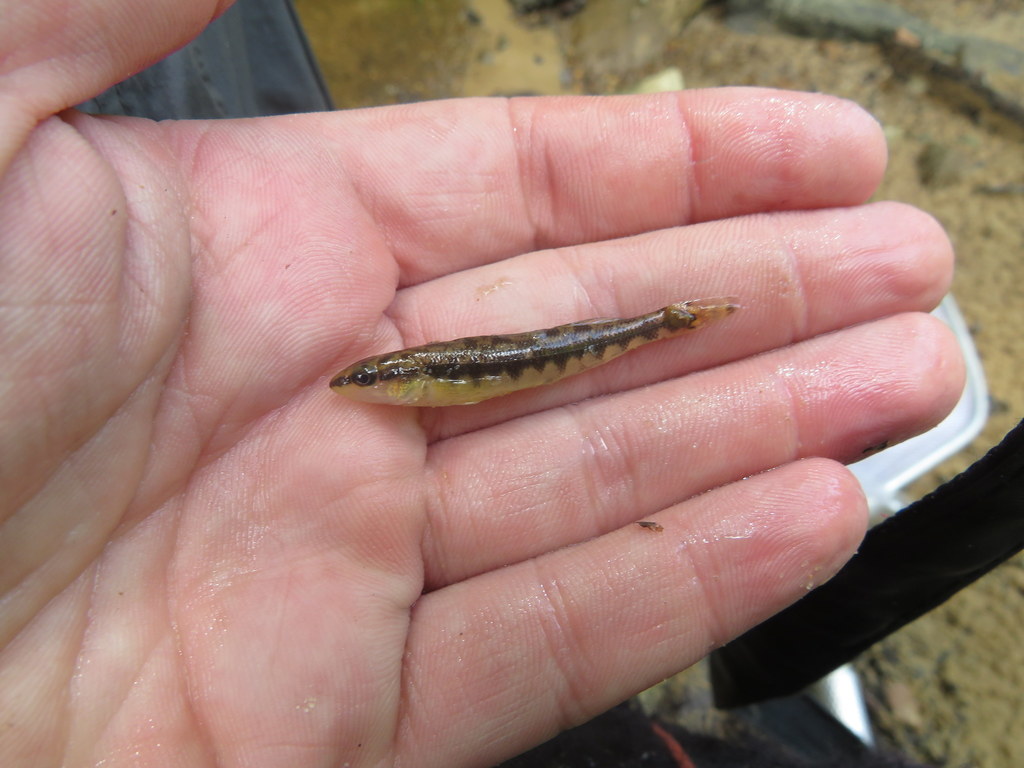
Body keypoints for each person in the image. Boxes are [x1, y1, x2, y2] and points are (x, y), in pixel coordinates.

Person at [0, 1, 965, 766]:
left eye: (375, 375)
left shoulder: (420, 379)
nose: (368, 383)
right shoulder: (404, 385)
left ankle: (679, 319)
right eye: (376, 376)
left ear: (404, 376)